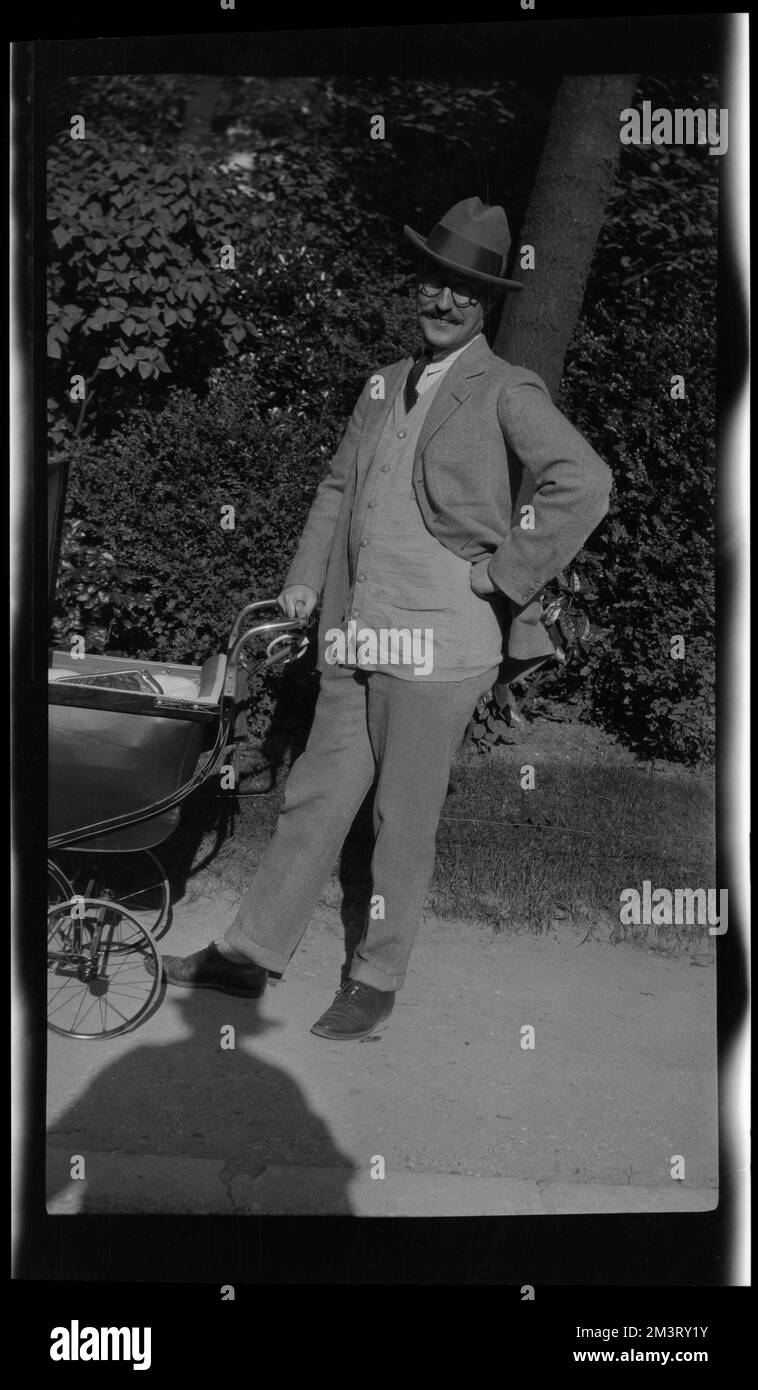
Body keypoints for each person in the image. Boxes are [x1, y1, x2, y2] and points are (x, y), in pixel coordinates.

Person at [153, 197, 612, 1040]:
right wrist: (303, 581)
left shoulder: (505, 389)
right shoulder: (384, 383)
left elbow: (583, 480)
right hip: (358, 628)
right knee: (315, 797)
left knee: (402, 822)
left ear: (487, 308)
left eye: (463, 295)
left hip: (440, 642)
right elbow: (337, 485)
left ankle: (377, 977)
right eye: (434, 285)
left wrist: (506, 573)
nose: (443, 304)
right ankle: (249, 954)